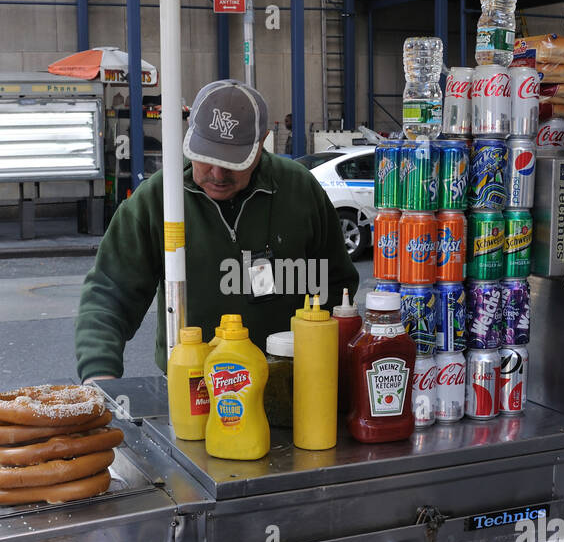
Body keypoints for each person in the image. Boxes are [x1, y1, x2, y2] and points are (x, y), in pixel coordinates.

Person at [76, 79, 358, 381]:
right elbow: (110, 292)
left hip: (289, 380)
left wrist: (319, 359)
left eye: (234, 161)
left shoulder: (299, 189)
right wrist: (99, 373)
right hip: (192, 386)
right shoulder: (159, 198)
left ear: (261, 142)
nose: (218, 174)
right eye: (208, 157)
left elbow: (334, 283)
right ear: (190, 137)